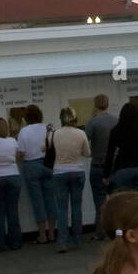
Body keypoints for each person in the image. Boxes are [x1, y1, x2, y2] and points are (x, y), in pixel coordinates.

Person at [49, 107, 90, 253]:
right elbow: (87, 153)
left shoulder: (54, 134)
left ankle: (62, 242)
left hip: (59, 172)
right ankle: (78, 240)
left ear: (61, 118)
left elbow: (44, 148)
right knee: (76, 207)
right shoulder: (81, 133)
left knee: (61, 208)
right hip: (77, 171)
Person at [15, 105, 56, 244]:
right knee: (50, 199)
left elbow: (21, 153)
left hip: (31, 166)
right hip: (48, 165)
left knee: (37, 201)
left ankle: (42, 235)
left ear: (26, 117)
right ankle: (52, 233)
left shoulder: (23, 131)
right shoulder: (46, 128)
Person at [84, 94, 116, 240]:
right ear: (108, 104)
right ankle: (117, 231)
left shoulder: (92, 123)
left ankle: (101, 232)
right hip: (114, 165)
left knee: (99, 200)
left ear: (95, 105)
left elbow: (85, 142)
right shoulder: (116, 121)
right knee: (116, 199)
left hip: (97, 164)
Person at [0, 117, 22, 252]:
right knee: (13, 211)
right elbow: (19, 156)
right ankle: (15, 242)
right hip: (13, 175)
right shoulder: (12, 141)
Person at [104, 103, 138, 194]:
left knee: (125, 201)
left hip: (122, 169)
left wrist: (106, 174)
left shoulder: (116, 130)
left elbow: (109, 154)